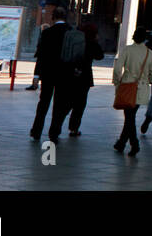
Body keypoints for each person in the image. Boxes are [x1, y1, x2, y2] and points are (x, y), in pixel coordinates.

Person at [113, 28, 152, 156]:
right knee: (130, 116)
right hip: (142, 88)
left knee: (129, 117)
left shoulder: (127, 50)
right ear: (145, 39)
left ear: (133, 37)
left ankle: (134, 144)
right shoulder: (149, 53)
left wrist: (117, 82)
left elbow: (117, 69)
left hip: (127, 85)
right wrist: (148, 80)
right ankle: (121, 143)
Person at [29, 8, 71, 142]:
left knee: (43, 102)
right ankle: (54, 133)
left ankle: (36, 131)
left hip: (48, 73)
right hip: (64, 74)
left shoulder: (47, 32)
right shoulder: (71, 32)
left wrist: (36, 75)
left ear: (53, 17)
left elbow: (40, 55)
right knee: (59, 104)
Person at [66, 22, 106, 137]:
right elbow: (100, 56)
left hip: (71, 74)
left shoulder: (75, 41)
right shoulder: (92, 43)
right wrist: (96, 41)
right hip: (84, 77)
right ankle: (73, 128)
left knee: (67, 102)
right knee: (80, 104)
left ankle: (57, 125)